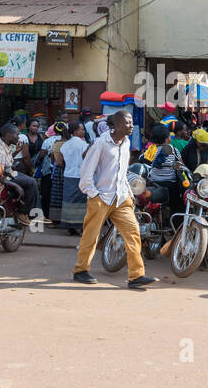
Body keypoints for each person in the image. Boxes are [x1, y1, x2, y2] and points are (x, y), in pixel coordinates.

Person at [71, 110, 157, 290]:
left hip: (121, 198)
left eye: (132, 122)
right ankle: (81, 270)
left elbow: (122, 173)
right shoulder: (101, 143)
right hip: (101, 197)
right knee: (91, 235)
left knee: (133, 233)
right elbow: (86, 173)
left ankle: (136, 275)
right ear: (117, 125)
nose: (131, 125)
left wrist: (130, 194)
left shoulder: (126, 143)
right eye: (128, 122)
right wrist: (94, 195)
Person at [0, 122, 43, 226]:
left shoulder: (5, 145)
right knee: (32, 183)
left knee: (31, 181)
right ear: (8, 135)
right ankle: (23, 213)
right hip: (2, 178)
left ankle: (30, 213)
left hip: (10, 173)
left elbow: (7, 161)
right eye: (16, 134)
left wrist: (16, 151)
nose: (18, 137)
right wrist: (15, 185)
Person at [56, 121, 88, 232]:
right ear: (75, 131)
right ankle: (80, 226)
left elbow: (59, 162)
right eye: (82, 129)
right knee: (81, 202)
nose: (83, 131)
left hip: (68, 176)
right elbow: (88, 160)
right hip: (80, 176)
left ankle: (69, 227)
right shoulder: (84, 145)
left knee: (69, 201)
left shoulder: (65, 145)